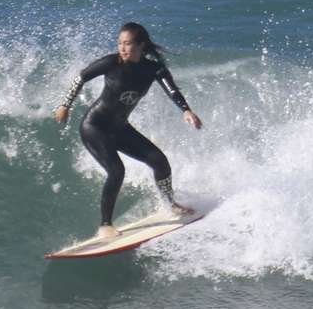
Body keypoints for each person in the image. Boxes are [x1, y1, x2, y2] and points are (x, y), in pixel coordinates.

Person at [53, 22, 203, 239]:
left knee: (159, 161)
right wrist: (65, 105)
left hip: (120, 128)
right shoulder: (111, 63)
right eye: (120, 43)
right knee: (117, 171)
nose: (122, 48)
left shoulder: (154, 69)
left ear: (141, 45)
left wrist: (186, 110)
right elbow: (81, 77)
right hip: (95, 127)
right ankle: (105, 225)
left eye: (128, 44)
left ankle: (171, 204)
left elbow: (172, 90)